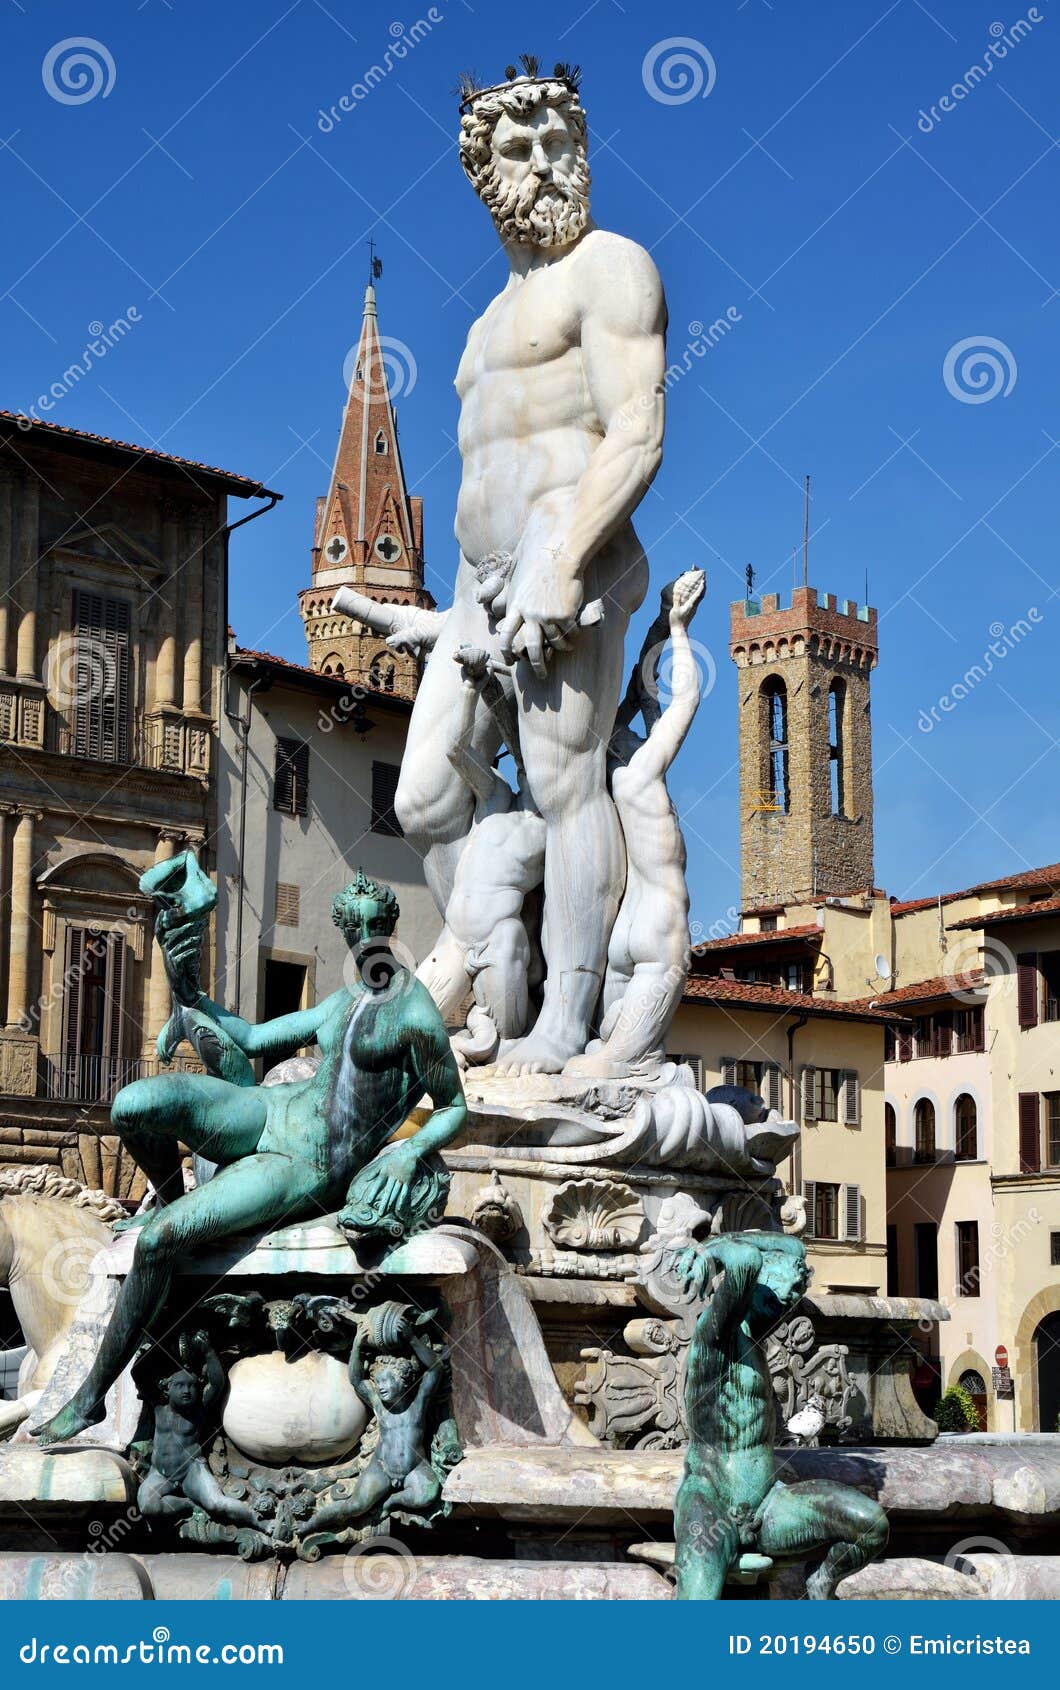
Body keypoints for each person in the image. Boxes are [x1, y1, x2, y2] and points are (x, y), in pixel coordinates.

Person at [394, 64, 667, 1074]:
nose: (546, 165)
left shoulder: (612, 268)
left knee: (563, 786)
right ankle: (498, 960)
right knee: (423, 798)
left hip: (574, 555)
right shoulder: (477, 330)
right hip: (477, 584)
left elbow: (636, 432)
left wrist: (563, 556)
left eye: (561, 144)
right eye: (519, 149)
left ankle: (568, 1020)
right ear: (480, 171)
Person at [33, 871, 466, 1447]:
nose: (366, 939)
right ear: (345, 933)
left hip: (306, 1164)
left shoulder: (415, 1013)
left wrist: (409, 1152)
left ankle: (89, 1400)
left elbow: (455, 1106)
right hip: (271, 1109)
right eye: (355, 928)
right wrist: (192, 994)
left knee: (161, 1240)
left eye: (376, 927)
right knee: (134, 1105)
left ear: (391, 928)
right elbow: (254, 1038)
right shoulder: (344, 1000)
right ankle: (168, 1191)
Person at [672, 1232, 888, 1600]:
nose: (787, 1301)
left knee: (872, 1526)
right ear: (750, 1290)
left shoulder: (755, 1336)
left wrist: (782, 1262)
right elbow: (743, 1262)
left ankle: (820, 1585)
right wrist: (709, 1252)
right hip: (710, 1501)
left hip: (769, 1504)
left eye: (793, 1293)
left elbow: (794, 1249)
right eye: (779, 1292)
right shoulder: (717, 1334)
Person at [566, 569, 705, 1078]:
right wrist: (682, 630)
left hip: (622, 931)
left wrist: (658, 630)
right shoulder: (642, 775)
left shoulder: (604, 783)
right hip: (660, 927)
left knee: (594, 1062)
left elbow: (642, 697)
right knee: (617, 1069)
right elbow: (684, 701)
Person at [417, 644, 545, 1059]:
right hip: (453, 940)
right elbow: (455, 751)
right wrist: (470, 688)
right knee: (408, 1028)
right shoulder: (496, 797)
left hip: (498, 943)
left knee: (501, 1050)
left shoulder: (553, 830)